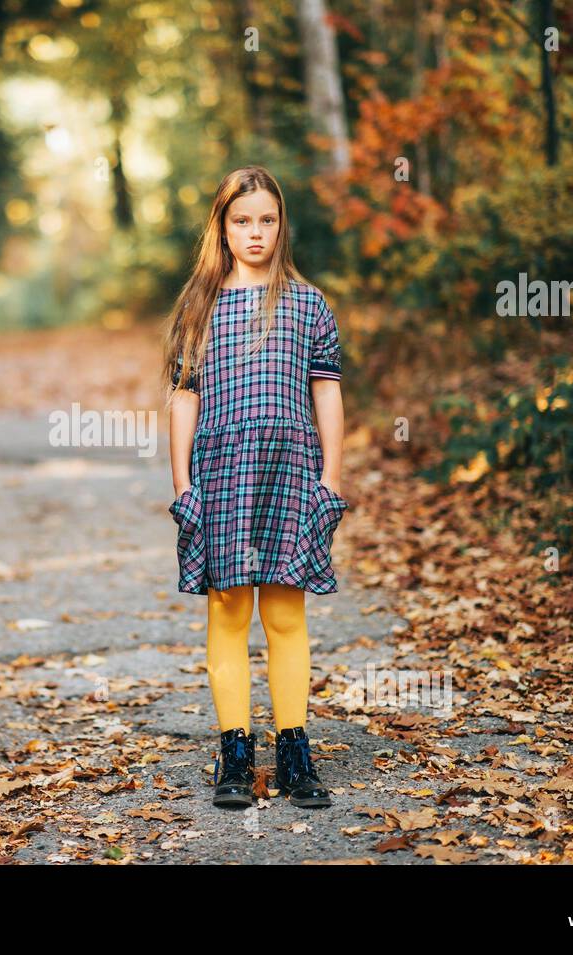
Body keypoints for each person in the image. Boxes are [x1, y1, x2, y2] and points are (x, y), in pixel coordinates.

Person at [161, 165, 349, 809]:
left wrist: (329, 477)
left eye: (267, 219)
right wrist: (182, 482)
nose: (256, 232)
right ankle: (235, 751)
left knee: (286, 612)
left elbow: (328, 394)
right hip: (220, 474)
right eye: (242, 220)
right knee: (229, 609)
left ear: (281, 225)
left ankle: (294, 750)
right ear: (222, 226)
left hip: (292, 471)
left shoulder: (309, 304)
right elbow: (183, 397)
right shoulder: (199, 306)